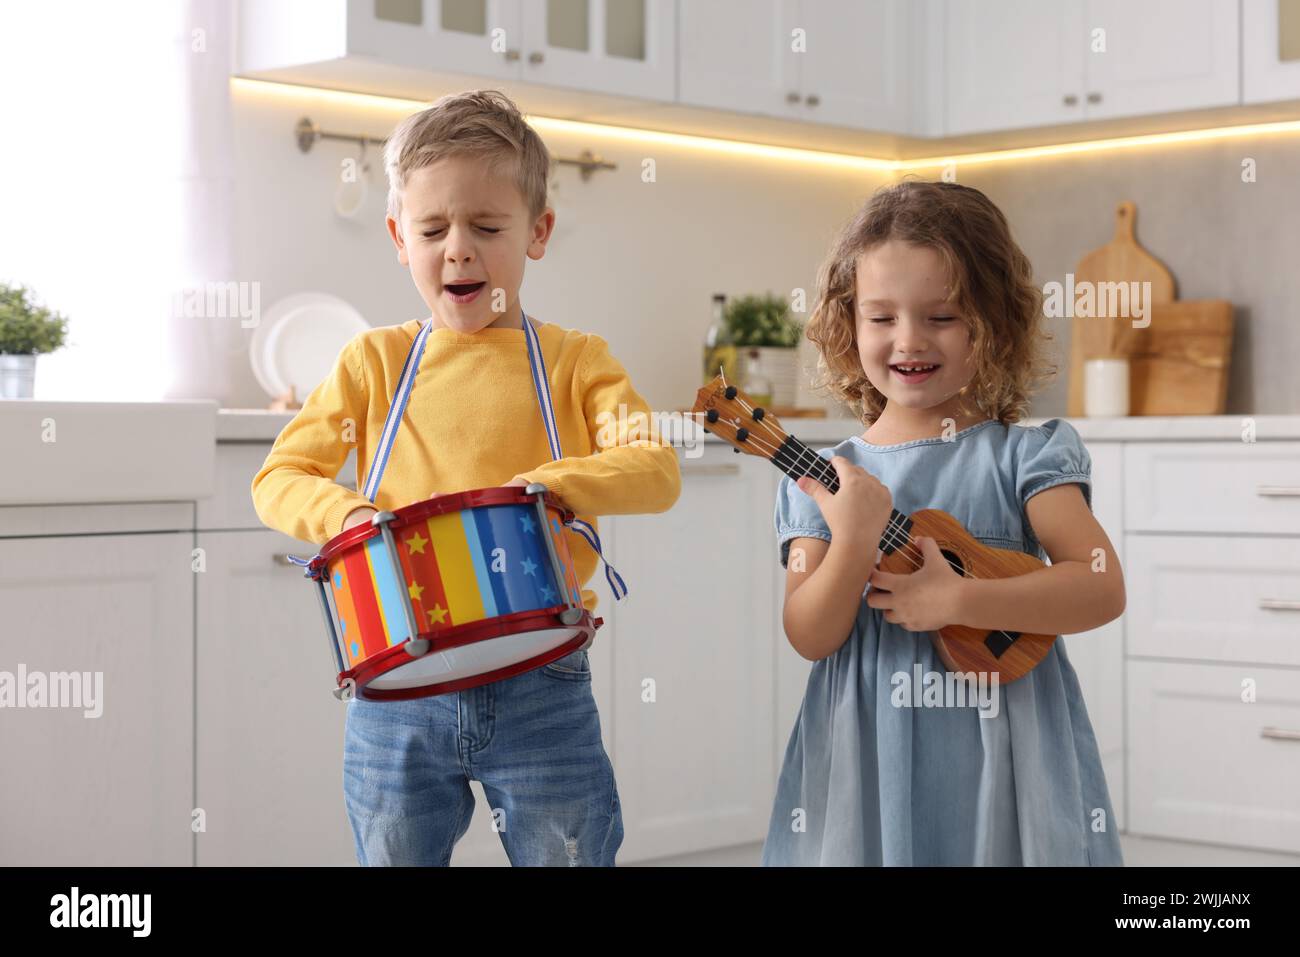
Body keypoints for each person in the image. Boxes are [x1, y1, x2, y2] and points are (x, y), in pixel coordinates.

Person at [251, 89, 680, 866]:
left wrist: (554, 486)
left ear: (538, 232)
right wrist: (346, 514)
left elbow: (655, 469)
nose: (458, 249)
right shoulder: (371, 363)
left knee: (572, 854)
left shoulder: (576, 361)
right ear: (397, 236)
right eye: (432, 229)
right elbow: (279, 475)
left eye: (487, 226)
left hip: (542, 677)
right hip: (396, 687)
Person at [762, 180, 1125, 866]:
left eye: (942, 316)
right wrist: (856, 539)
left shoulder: (1025, 456)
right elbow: (809, 632)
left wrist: (961, 598)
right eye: (881, 317)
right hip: (869, 745)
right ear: (848, 324)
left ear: (994, 322)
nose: (909, 340)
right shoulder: (825, 478)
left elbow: (1101, 585)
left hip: (1007, 745)